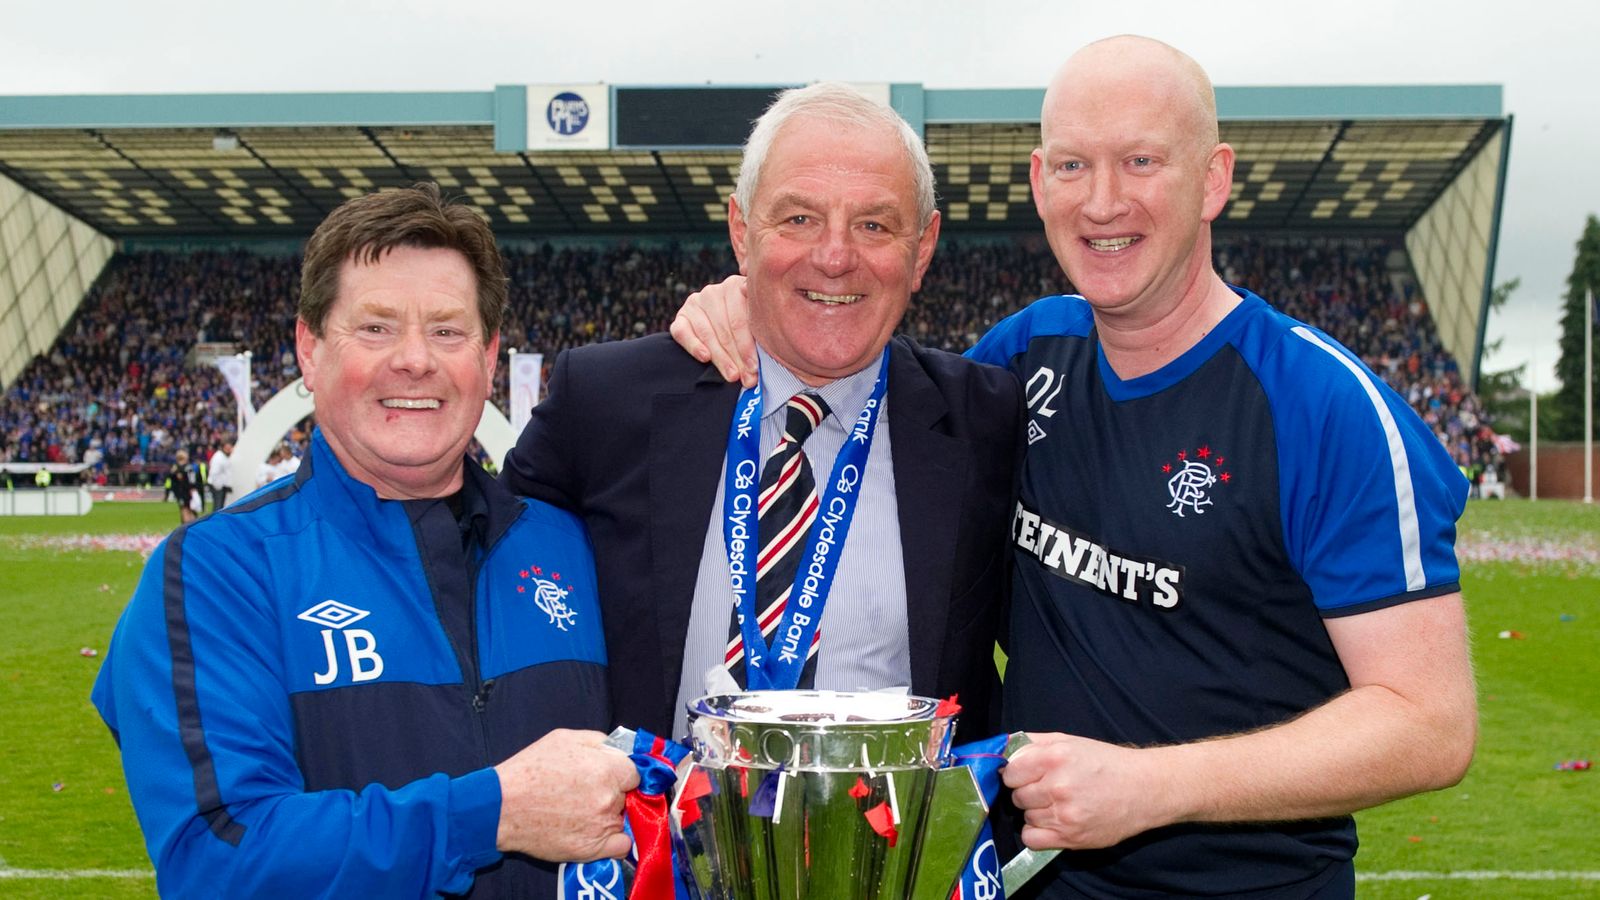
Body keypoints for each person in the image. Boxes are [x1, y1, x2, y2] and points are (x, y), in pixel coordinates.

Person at [671, 37, 1476, 899]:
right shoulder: (1023, 357)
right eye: (1072, 165)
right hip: (1023, 881)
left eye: (1141, 161)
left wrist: (1153, 787)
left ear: (1214, 179)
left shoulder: (1324, 408)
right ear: (1038, 181)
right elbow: (859, 404)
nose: (1102, 202)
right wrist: (747, 300)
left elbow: (1429, 725)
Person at [92, 183, 639, 899]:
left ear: (488, 357)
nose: (415, 360)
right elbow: (216, 861)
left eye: (448, 331)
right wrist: (490, 813)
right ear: (310, 349)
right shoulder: (215, 571)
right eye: (376, 328)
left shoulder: (571, 547)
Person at [502, 82, 1022, 741]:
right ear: (742, 232)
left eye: (874, 225)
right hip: (655, 809)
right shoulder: (606, 400)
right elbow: (475, 568)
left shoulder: (987, 419)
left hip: (892, 810)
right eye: (799, 219)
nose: (834, 257)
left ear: (922, 249)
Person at [167, 448, 200, 524]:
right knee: (190, 509)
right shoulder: (189, 467)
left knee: (185, 509)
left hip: (184, 492)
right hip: (188, 491)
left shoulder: (179, 468)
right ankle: (192, 525)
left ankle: (187, 526)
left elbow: (172, 477)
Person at [206, 438, 233, 511]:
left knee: (220, 507)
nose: (229, 450)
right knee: (218, 507)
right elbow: (214, 473)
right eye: (228, 448)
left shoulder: (223, 456)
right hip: (217, 486)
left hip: (221, 486)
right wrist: (218, 486)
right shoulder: (219, 457)